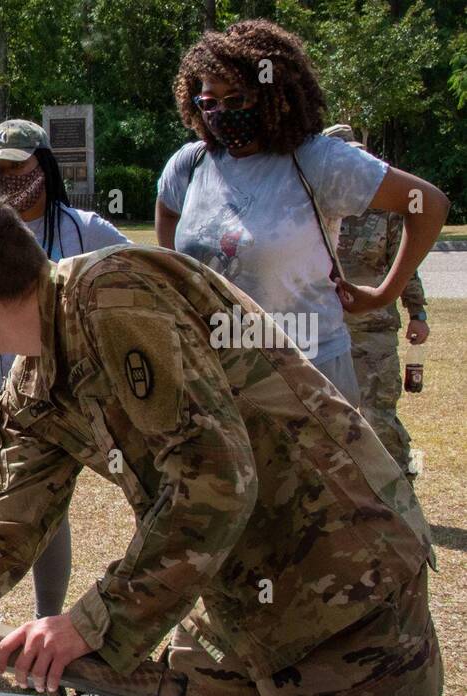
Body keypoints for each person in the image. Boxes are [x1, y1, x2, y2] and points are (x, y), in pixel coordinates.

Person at [0, 193, 442, 696]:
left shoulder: (113, 297)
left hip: (346, 581)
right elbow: (2, 535)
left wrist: (91, 622)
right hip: (230, 594)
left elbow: (217, 479)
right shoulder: (33, 387)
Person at [155, 19, 447, 406]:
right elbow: (167, 213)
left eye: (236, 100)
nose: (221, 112)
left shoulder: (317, 161)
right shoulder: (191, 164)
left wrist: (383, 293)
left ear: (272, 96)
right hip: (215, 377)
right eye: (208, 103)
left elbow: (427, 204)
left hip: (310, 375)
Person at [0, 119, 129, 619]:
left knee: (48, 514)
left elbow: (135, 283)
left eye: (19, 167)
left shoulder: (86, 230)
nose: (9, 179)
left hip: (58, 401)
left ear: (44, 166)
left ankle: (47, 620)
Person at [323, 123, 428, 479]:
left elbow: (406, 266)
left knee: (377, 413)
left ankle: (399, 488)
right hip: (324, 329)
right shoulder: (314, 205)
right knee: (330, 414)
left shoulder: (386, 209)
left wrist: (418, 312)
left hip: (374, 331)